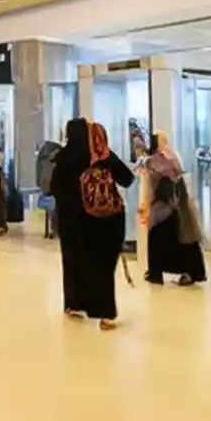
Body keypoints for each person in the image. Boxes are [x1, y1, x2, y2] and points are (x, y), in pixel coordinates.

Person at [78, 122, 136, 330]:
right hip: (112, 217)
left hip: (87, 217)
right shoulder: (108, 157)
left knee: (94, 264)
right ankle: (106, 314)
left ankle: (93, 306)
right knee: (107, 264)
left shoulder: (81, 159)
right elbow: (128, 179)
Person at [141, 131, 207, 286]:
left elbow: (152, 186)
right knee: (182, 241)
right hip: (177, 208)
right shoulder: (173, 158)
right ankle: (189, 272)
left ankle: (156, 273)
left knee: (158, 239)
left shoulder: (155, 161)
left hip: (164, 208)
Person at [49, 119, 92, 316]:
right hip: (90, 214)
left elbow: (54, 188)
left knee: (70, 257)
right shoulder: (92, 158)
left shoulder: (62, 158)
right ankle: (90, 299)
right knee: (89, 257)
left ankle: (72, 302)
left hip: (67, 215)